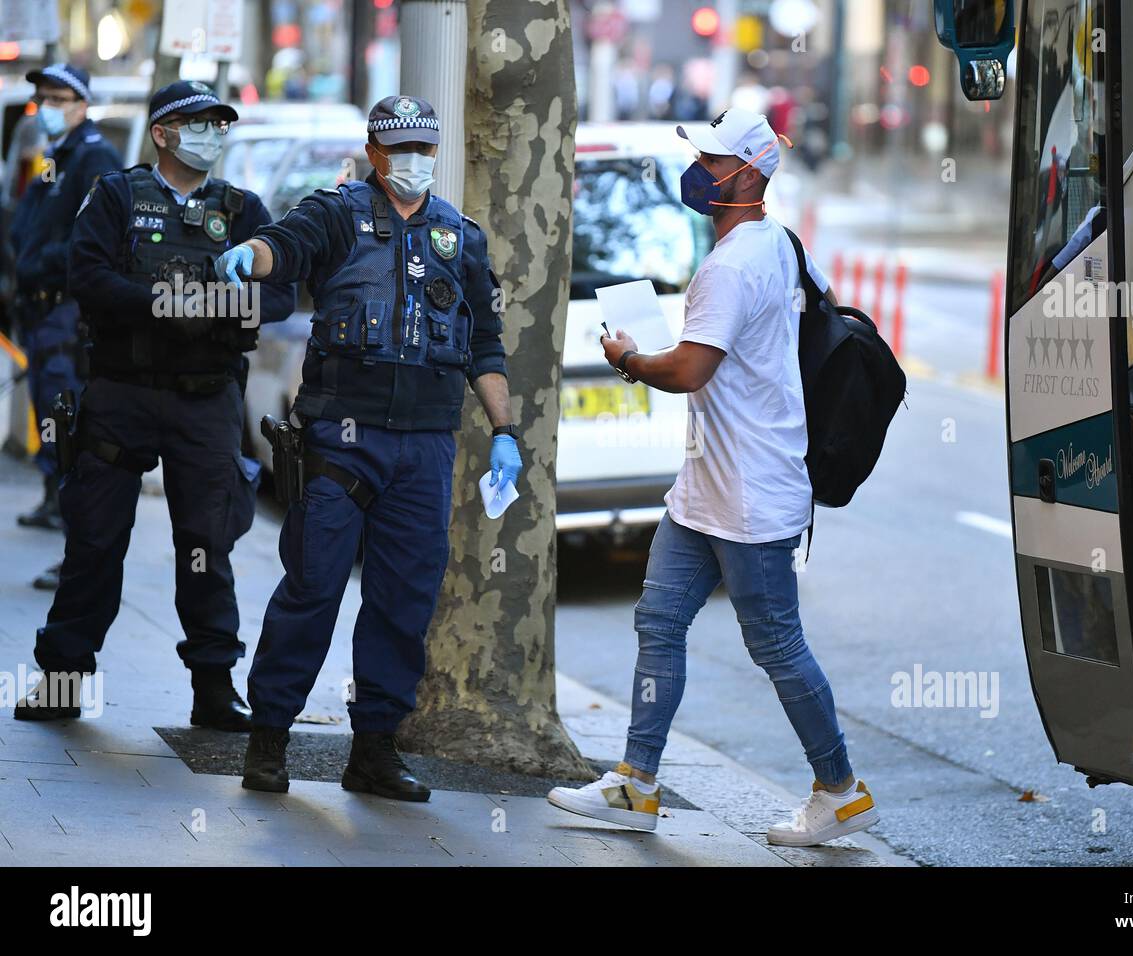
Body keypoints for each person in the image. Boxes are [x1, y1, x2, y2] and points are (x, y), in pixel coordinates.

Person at [547, 108, 879, 847]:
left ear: (750, 173)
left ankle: (841, 790)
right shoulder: (777, 245)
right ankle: (636, 782)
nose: (699, 170)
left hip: (752, 496)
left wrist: (630, 358)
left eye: (713, 159)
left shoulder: (734, 264)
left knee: (777, 646)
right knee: (659, 621)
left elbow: (691, 369)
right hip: (706, 489)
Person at [215, 95, 521, 802]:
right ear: (376, 151)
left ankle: (375, 751)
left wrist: (504, 431)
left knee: (403, 600)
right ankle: (268, 739)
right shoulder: (336, 212)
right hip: (342, 441)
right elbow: (283, 247)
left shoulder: (460, 237)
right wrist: (250, 255)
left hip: (425, 448)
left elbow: (484, 345)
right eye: (399, 147)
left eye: (424, 147)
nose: (413, 160)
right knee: (313, 587)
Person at [13, 80, 294, 730]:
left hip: (205, 397)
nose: (212, 135)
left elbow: (280, 292)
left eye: (220, 125)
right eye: (197, 123)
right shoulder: (116, 196)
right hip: (121, 393)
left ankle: (214, 689)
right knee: (94, 539)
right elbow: (86, 276)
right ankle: (61, 679)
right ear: (162, 132)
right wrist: (163, 305)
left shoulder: (243, 208)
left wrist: (220, 305)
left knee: (206, 546)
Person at [10, 65, 122, 592]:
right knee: (50, 420)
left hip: (67, 313)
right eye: (41, 98)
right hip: (41, 310)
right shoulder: (57, 156)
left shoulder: (95, 156)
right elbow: (30, 218)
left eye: (58, 98)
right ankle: (57, 507)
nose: (47, 107)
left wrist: (44, 264)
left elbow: (91, 235)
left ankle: (79, 555)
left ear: (82, 103)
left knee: (69, 429)